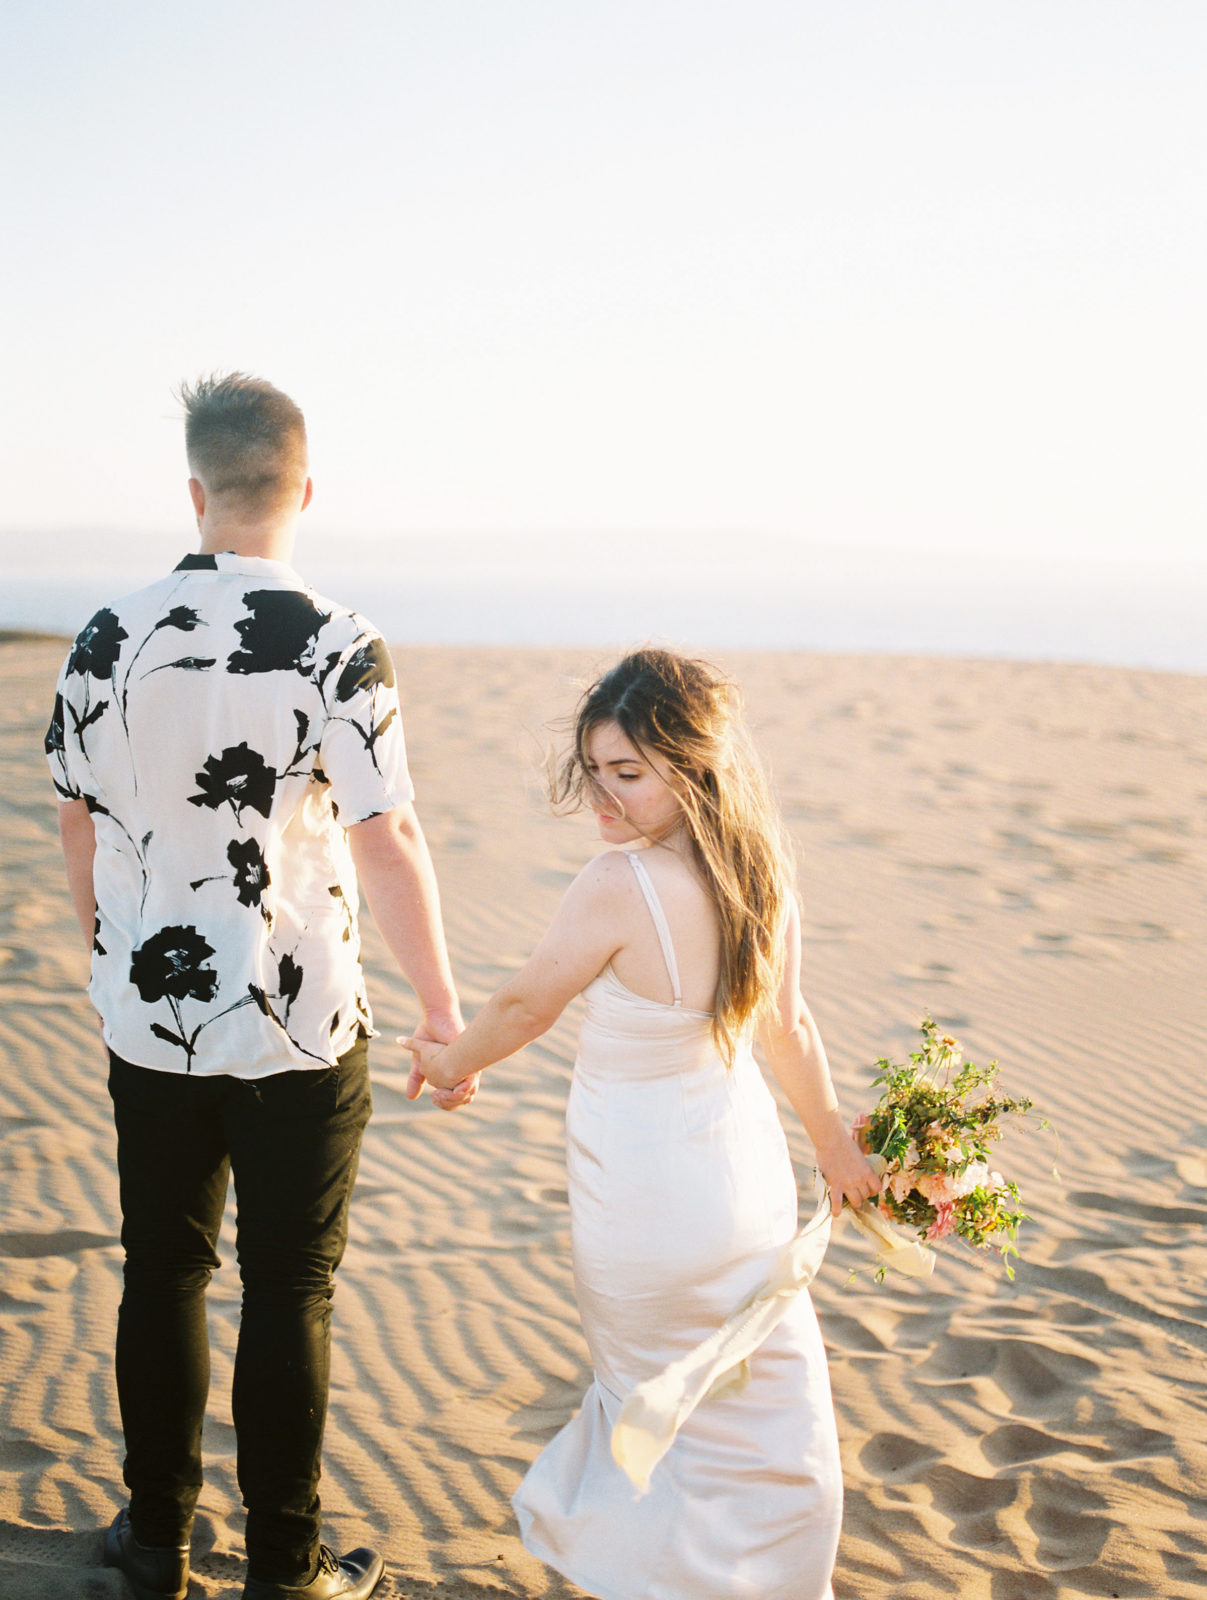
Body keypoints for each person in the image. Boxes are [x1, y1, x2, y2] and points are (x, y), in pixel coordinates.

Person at [45, 374, 474, 1600]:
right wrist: (444, 1012)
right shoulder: (341, 641)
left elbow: (75, 822)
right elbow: (389, 838)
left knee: (161, 1274)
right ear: (303, 489)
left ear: (194, 491)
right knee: (290, 1287)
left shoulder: (105, 635)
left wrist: (103, 956)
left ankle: (154, 1542)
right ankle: (286, 1563)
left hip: (154, 1015)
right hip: (300, 1020)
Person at [405, 647, 880, 1600]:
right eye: (593, 770)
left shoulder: (621, 884)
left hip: (646, 1201)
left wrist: (447, 1064)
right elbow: (787, 1027)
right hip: (742, 1185)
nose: (603, 796)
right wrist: (833, 1148)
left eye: (628, 774)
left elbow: (526, 1007)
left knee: (661, 1417)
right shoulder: (765, 871)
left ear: (693, 766)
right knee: (760, 1407)